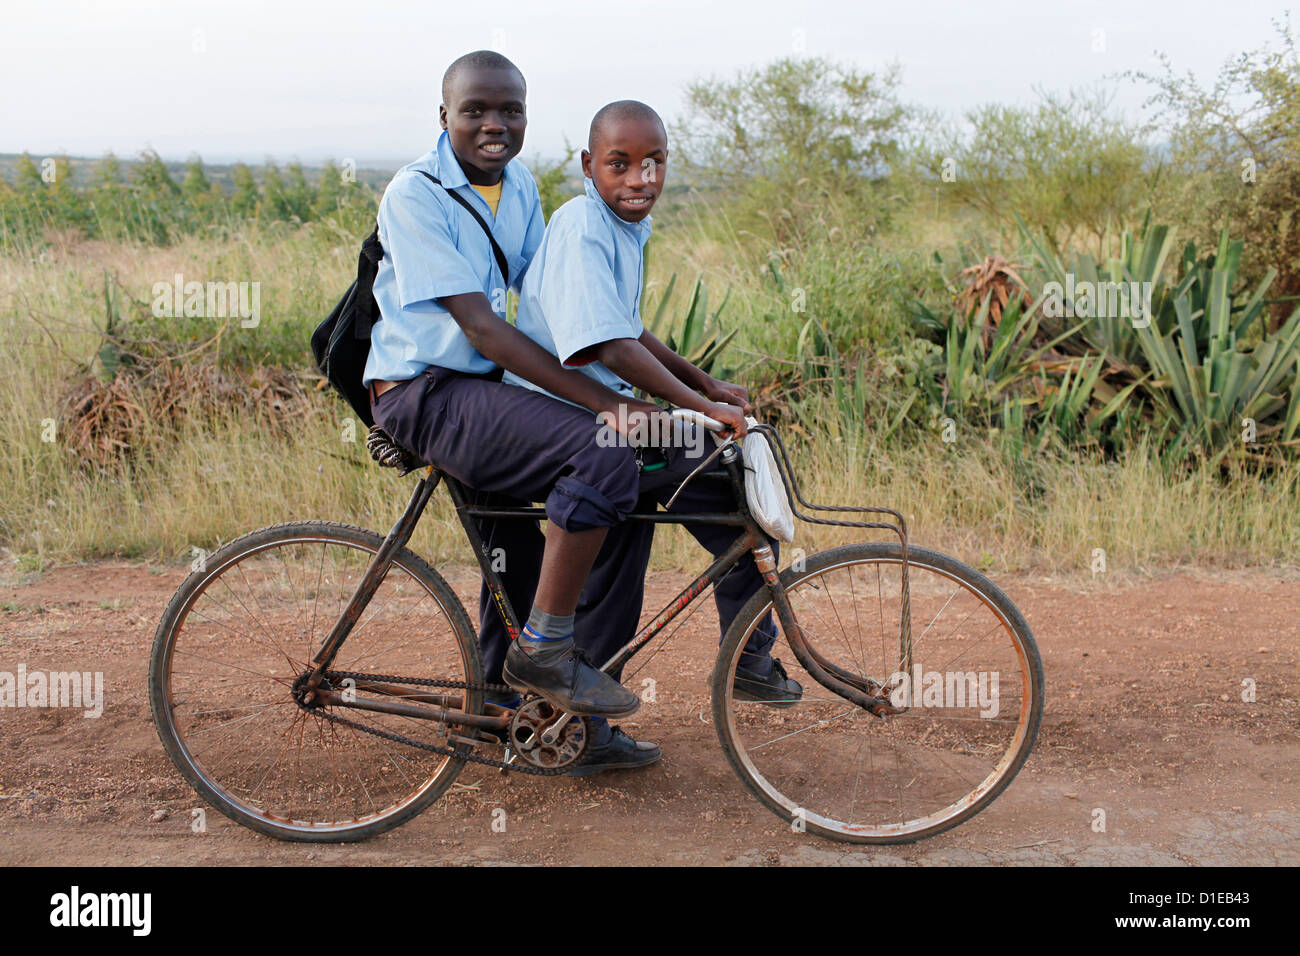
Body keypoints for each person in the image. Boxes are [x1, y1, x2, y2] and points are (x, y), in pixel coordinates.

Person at [364, 53, 750, 725]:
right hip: (428, 393)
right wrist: (607, 403)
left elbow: (576, 313)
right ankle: (543, 650)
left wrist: (699, 383)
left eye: (510, 110)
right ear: (444, 116)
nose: (494, 125)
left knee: (535, 549)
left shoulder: (517, 190)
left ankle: (561, 726)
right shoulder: (415, 193)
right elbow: (484, 329)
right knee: (604, 447)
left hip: (489, 394)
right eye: (475, 110)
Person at [501, 99, 804, 770]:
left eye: (654, 162)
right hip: (557, 427)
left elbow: (631, 329)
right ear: (588, 166)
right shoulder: (582, 226)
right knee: (721, 479)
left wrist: (709, 387)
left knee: (623, 553)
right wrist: (698, 405)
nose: (641, 178)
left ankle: (583, 726)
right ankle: (750, 658)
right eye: (621, 164)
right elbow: (608, 346)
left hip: (597, 420)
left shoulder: (619, 225)